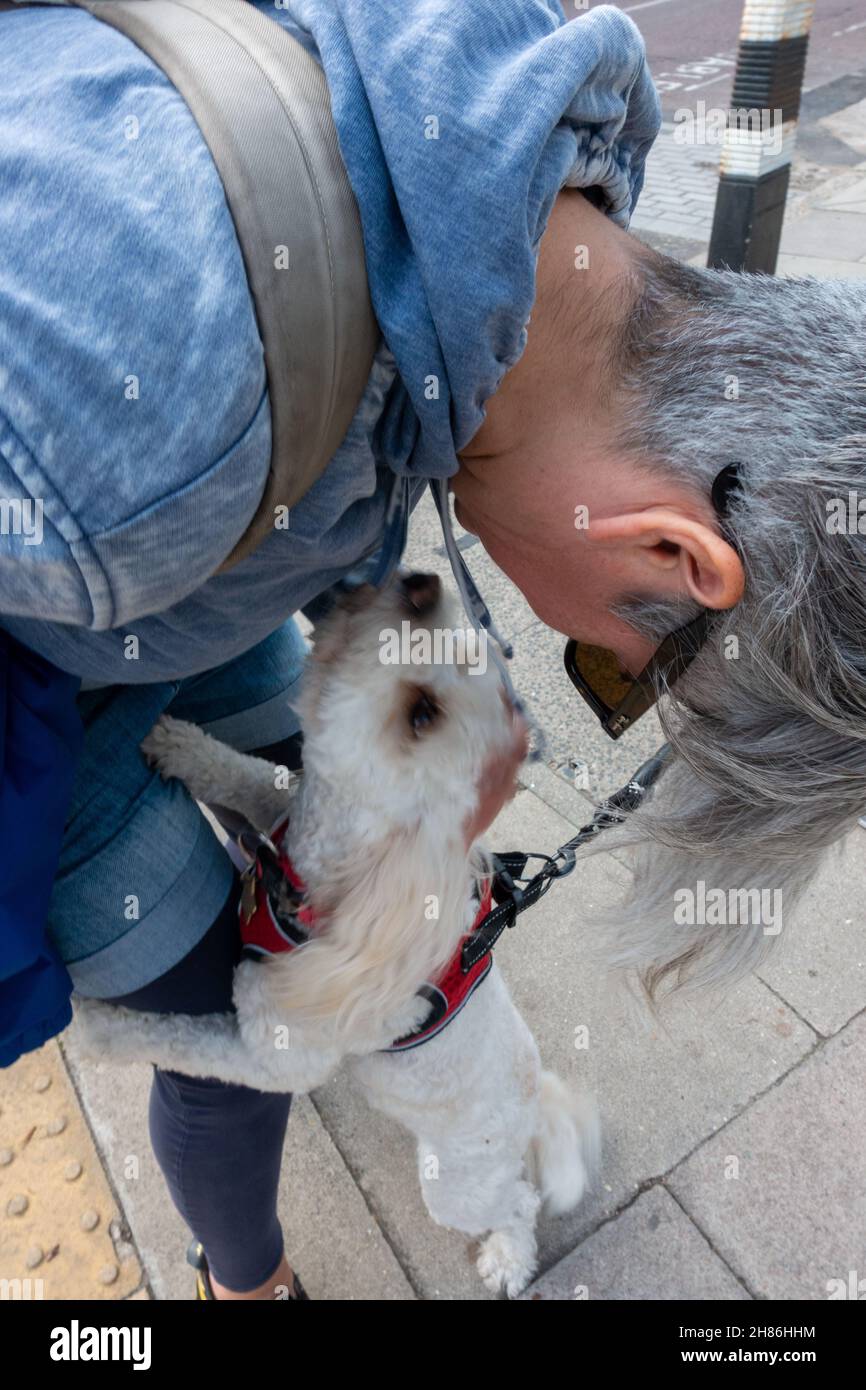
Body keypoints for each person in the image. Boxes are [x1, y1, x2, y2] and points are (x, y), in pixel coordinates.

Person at [1, 0, 863, 1298]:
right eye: (618, 672)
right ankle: (244, 1271)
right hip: (63, 717)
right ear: (675, 558)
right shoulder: (143, 418)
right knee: (197, 1011)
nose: (559, 668)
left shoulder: (507, 186)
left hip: (164, 614)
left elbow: (354, 422)